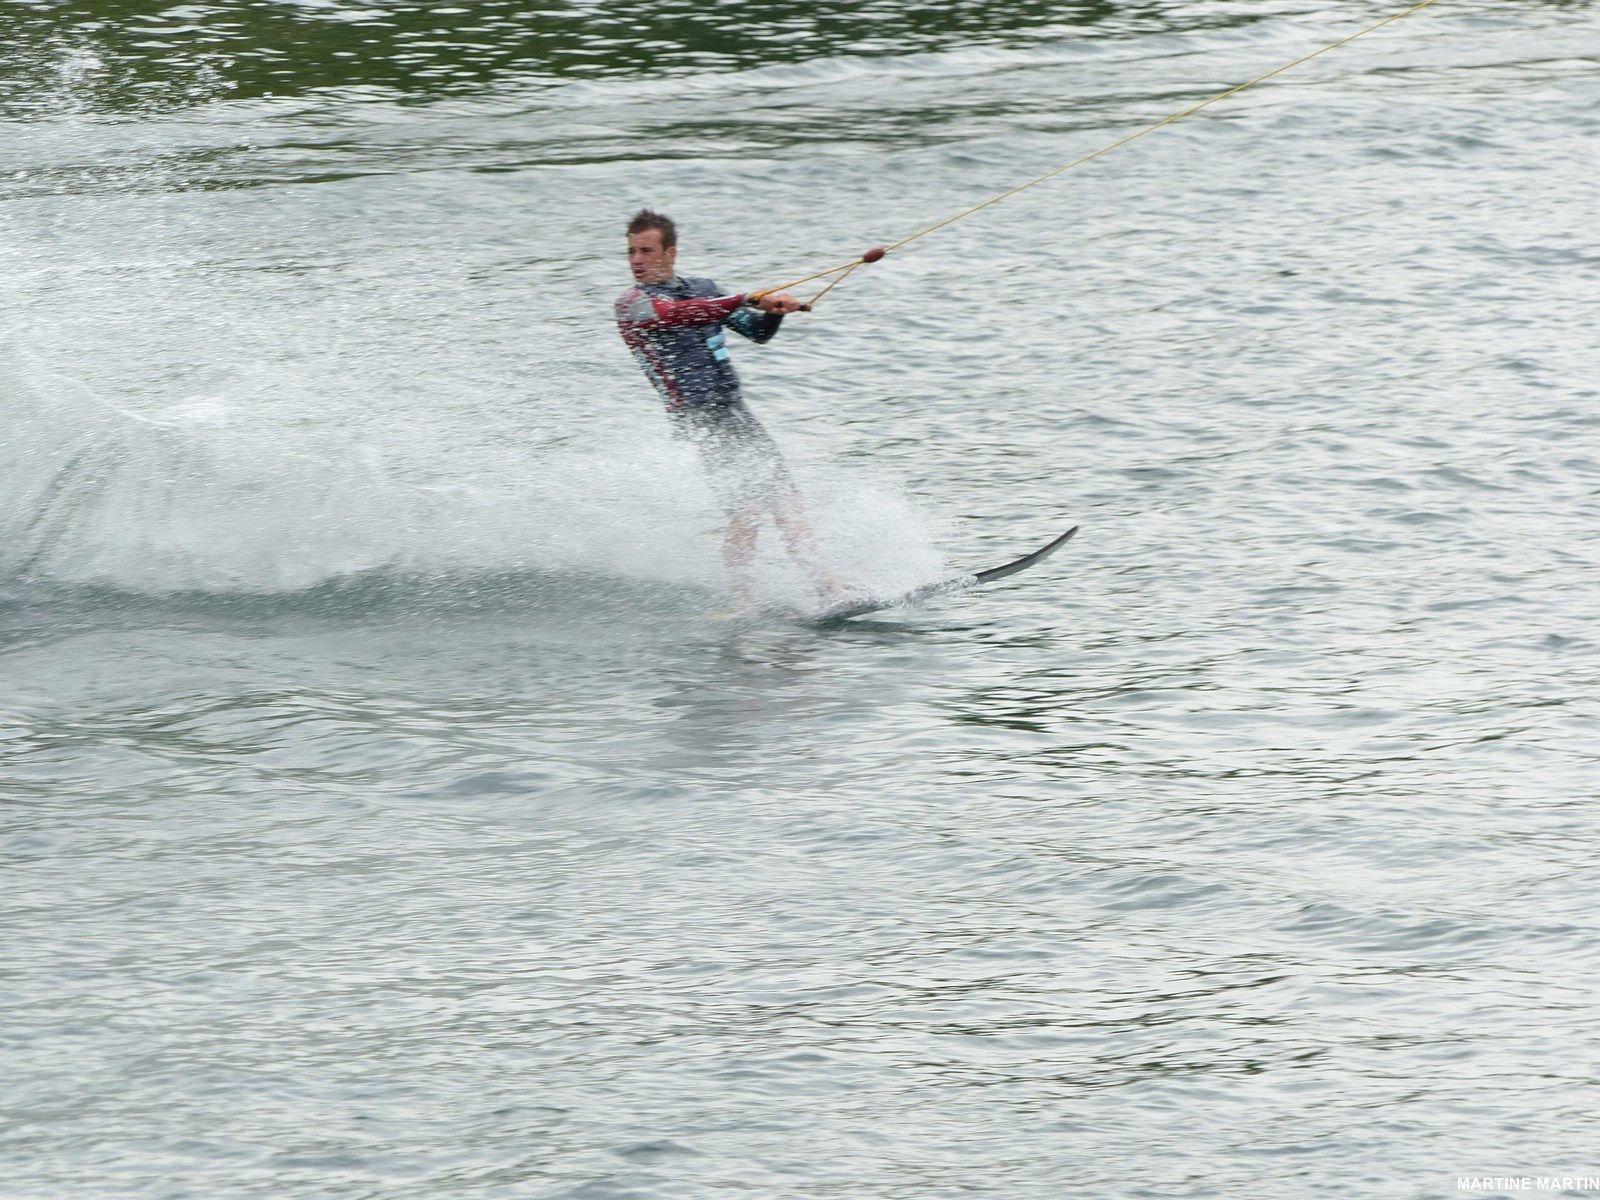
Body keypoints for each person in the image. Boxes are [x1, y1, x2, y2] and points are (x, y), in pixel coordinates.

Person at [615, 208, 843, 611]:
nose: (637, 260)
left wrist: (772, 314)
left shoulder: (703, 287)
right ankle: (742, 602)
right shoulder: (633, 304)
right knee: (749, 509)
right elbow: (684, 314)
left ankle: (827, 587)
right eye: (632, 252)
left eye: (646, 251)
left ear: (671, 252)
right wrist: (749, 297)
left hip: (734, 408)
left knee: (786, 499)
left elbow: (754, 331)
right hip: (698, 417)